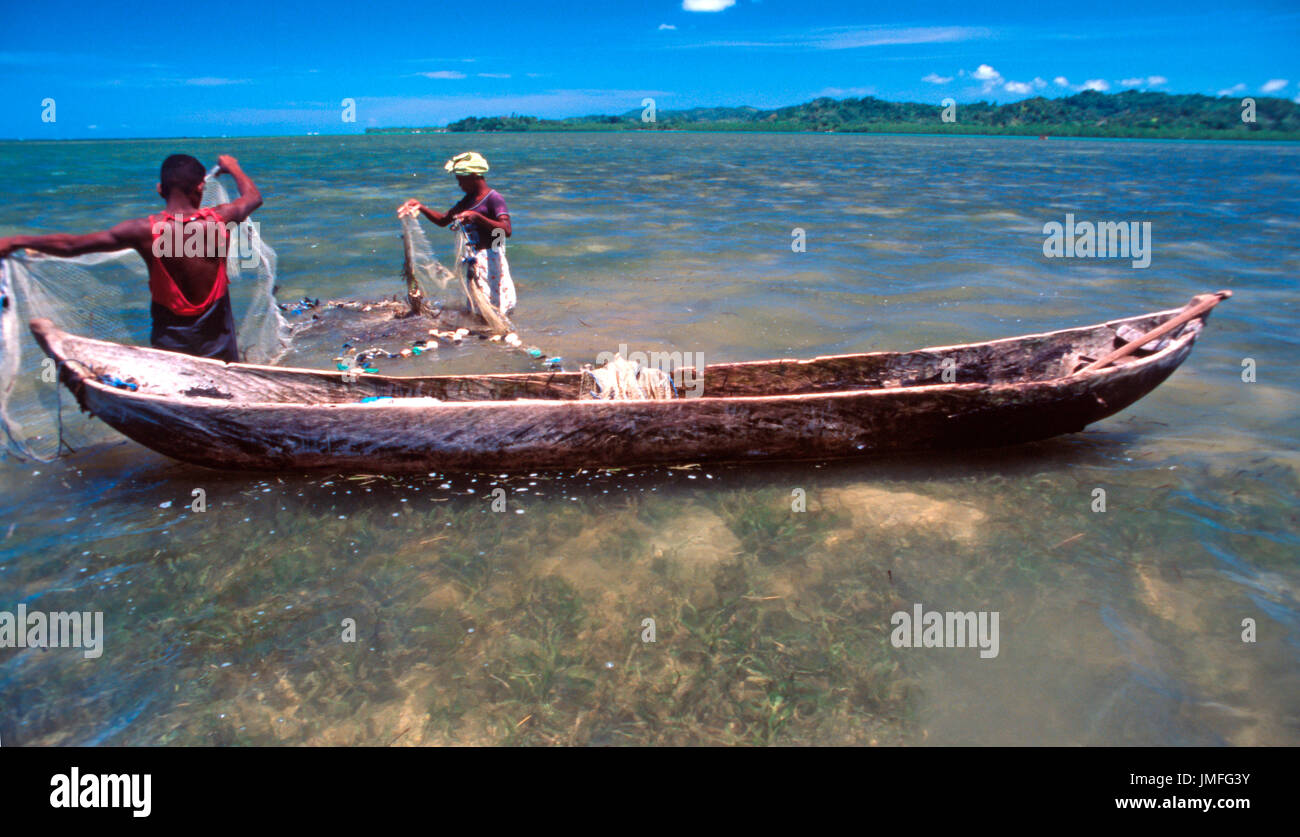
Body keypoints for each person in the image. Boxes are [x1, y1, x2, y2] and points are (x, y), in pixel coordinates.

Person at [0, 154, 262, 362]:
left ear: (160, 189)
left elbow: (72, 245)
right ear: (201, 187)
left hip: (172, 352)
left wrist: (16, 241)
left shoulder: (142, 231)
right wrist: (233, 167)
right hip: (221, 350)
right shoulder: (222, 218)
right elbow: (252, 198)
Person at [399, 151, 515, 314]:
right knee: (477, 303)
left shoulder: (493, 198)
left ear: (474, 176)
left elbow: (506, 230)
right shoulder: (468, 200)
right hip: (474, 259)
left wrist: (477, 217)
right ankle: (482, 331)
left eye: (461, 180)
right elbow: (443, 220)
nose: (459, 185)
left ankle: (497, 332)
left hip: (491, 258)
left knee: (495, 303)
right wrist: (421, 207)